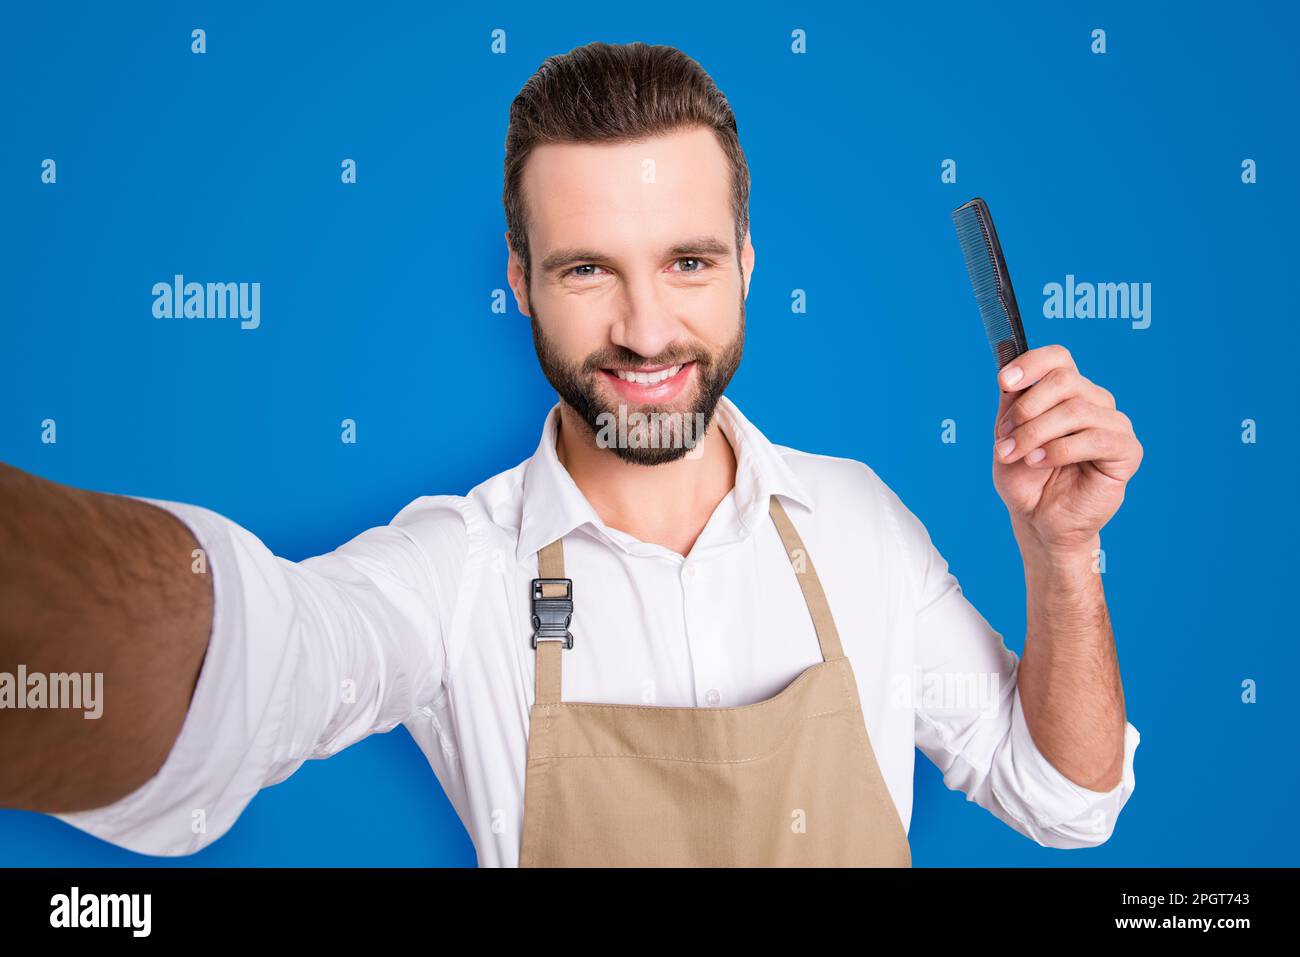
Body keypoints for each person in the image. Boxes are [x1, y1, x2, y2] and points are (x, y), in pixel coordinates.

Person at [0, 41, 1142, 867]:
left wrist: (1064, 554)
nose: (646, 331)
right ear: (519, 281)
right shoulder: (455, 571)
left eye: (688, 262)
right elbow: (264, 662)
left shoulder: (859, 525)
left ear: (747, 261)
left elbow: (1063, 797)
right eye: (588, 269)